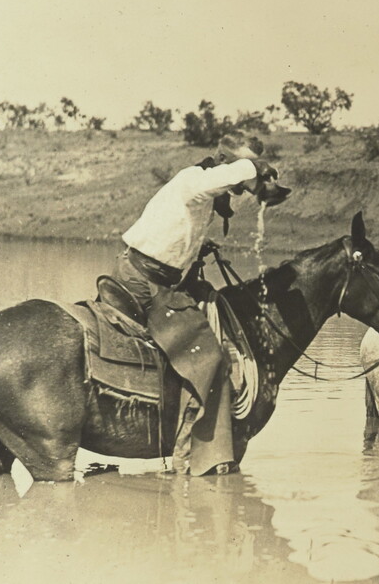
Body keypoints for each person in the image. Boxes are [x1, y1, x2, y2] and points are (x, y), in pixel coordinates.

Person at [112, 134, 281, 476]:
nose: (245, 185)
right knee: (210, 356)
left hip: (153, 274)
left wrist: (193, 253)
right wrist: (255, 169)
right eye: (240, 173)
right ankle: (188, 455)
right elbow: (222, 178)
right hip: (146, 282)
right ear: (222, 161)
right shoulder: (195, 181)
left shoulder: (203, 193)